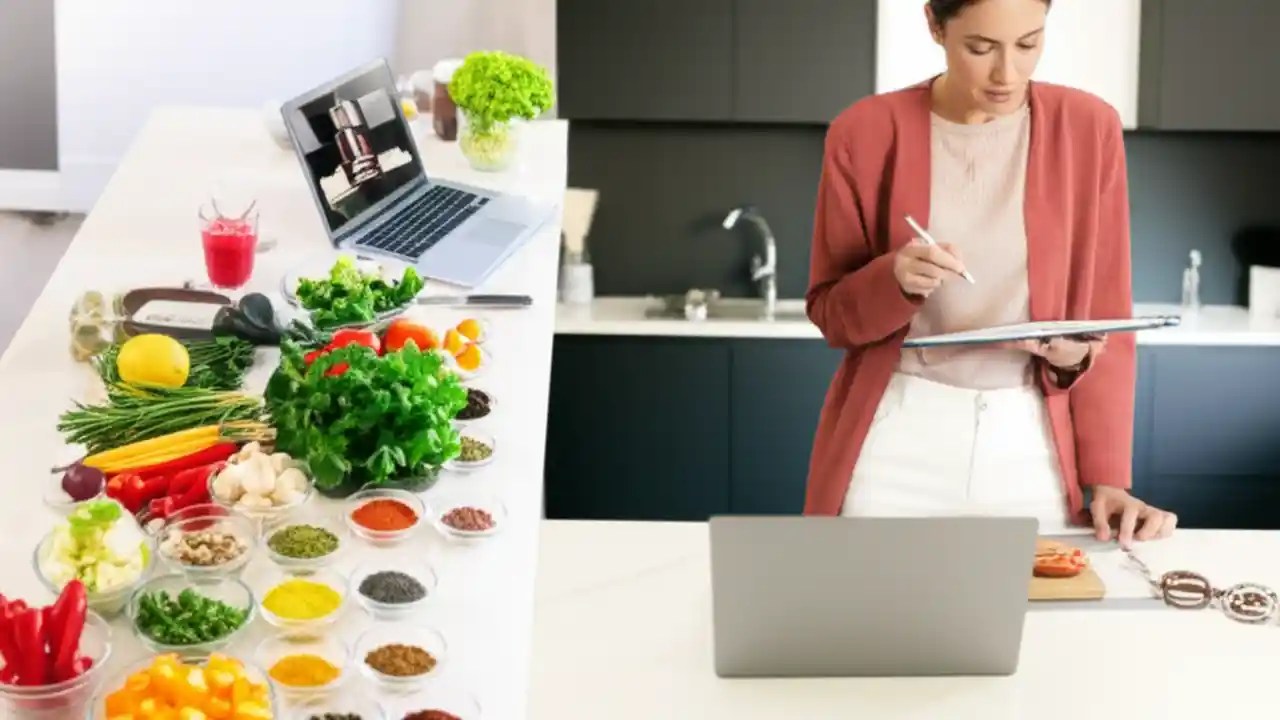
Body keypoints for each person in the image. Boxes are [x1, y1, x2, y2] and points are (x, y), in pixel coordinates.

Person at [803, 0, 1177, 547]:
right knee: (868, 625)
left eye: (1028, 43)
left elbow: (1107, 316)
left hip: (1032, 442)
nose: (1008, 74)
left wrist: (1107, 478)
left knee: (1044, 624)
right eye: (980, 48)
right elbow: (832, 314)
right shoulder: (862, 132)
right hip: (898, 434)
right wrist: (895, 280)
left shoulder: (1089, 128)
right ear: (934, 24)